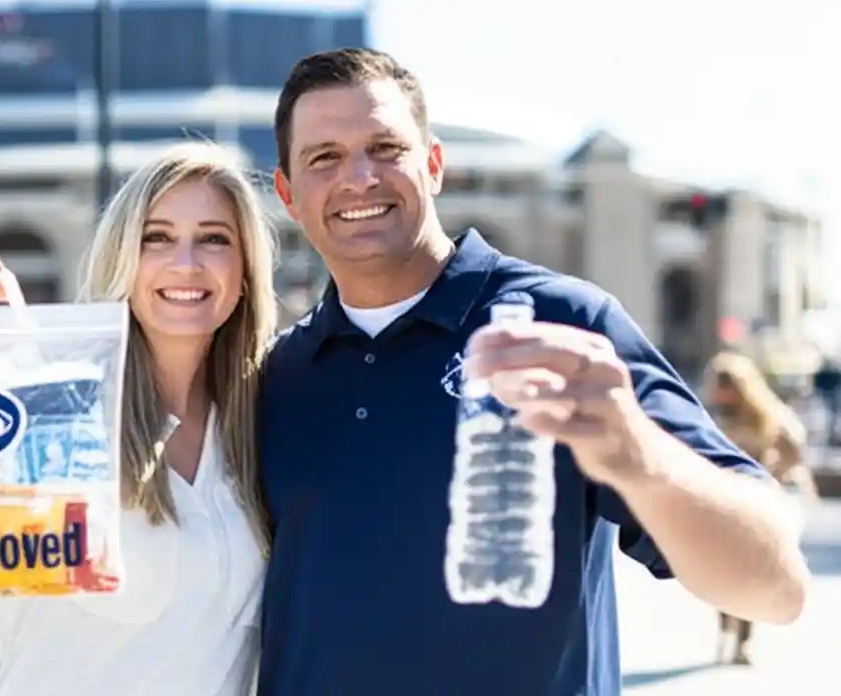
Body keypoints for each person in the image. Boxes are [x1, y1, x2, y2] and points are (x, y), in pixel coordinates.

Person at [256, 47, 810, 695]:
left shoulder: (562, 323)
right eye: (325, 157)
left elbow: (775, 589)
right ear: (289, 194)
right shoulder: (277, 375)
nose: (359, 177)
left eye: (386, 147)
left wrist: (640, 459)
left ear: (433, 166)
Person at [0, 141, 280, 696]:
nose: (186, 263)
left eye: (214, 239)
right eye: (155, 237)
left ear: (246, 269)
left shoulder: (263, 428)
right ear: (122, 257)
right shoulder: (59, 403)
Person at [705, 350, 817, 664]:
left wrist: (771, 476)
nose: (717, 391)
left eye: (722, 385)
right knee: (720, 572)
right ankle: (726, 629)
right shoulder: (715, 417)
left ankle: (742, 641)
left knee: (748, 570)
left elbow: (795, 451)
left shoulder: (766, 416)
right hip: (724, 500)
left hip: (757, 504)